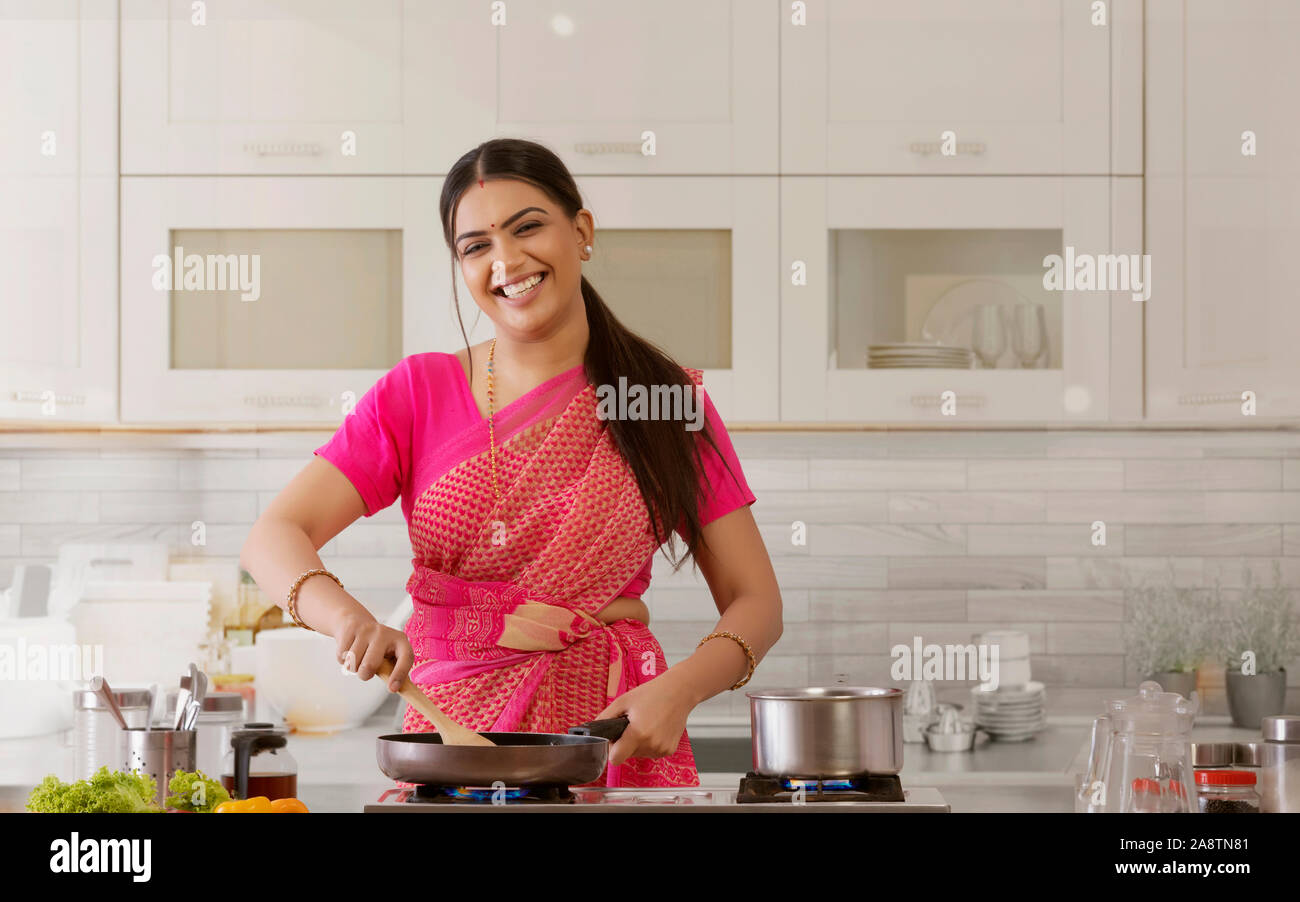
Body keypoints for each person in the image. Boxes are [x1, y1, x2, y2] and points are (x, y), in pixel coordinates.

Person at [239, 137, 784, 786]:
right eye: (476, 246)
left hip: (610, 741)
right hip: (453, 748)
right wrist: (348, 618)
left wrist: (682, 689)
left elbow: (756, 600)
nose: (506, 261)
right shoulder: (417, 393)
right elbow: (275, 535)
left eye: (527, 228)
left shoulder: (661, 401)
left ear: (582, 232)